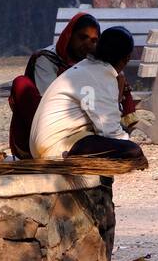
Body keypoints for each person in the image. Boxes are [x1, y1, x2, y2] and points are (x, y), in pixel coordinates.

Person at [29, 25, 144, 163]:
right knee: (132, 150)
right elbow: (110, 131)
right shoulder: (100, 76)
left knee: (126, 148)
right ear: (127, 58)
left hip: (43, 146)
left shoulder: (89, 68)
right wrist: (128, 146)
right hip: (57, 146)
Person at [8, 12, 100, 158]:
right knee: (21, 84)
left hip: (79, 133)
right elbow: (51, 103)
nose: (88, 45)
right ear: (70, 36)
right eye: (82, 38)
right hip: (43, 133)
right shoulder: (47, 59)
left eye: (94, 41)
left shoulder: (94, 64)